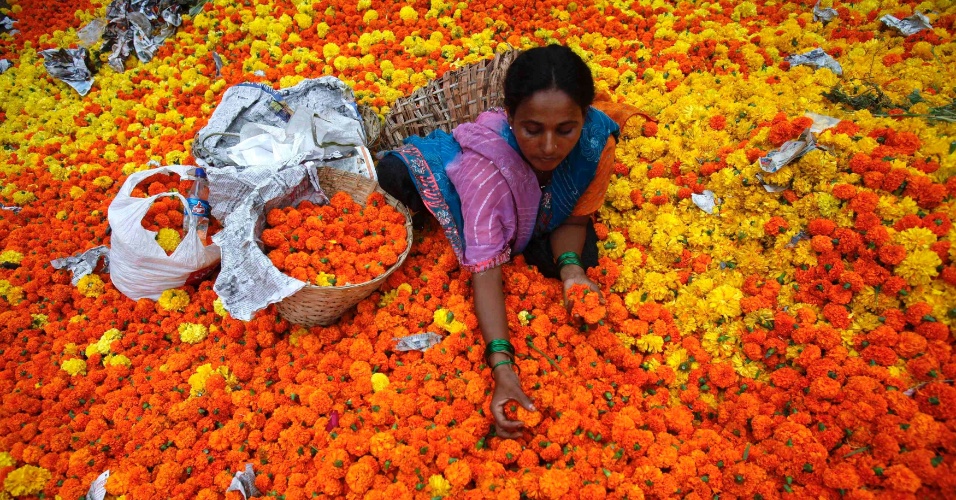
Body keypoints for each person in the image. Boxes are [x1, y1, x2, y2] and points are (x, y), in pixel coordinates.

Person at [376, 44, 636, 438]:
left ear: (584, 118)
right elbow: (486, 275)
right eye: (533, 130)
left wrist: (572, 273)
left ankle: (537, 229)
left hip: (527, 198)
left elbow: (577, 216)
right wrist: (503, 366)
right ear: (511, 118)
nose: (549, 146)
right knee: (398, 177)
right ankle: (427, 173)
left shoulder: (595, 143)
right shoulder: (486, 180)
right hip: (464, 172)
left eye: (565, 129)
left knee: (571, 259)